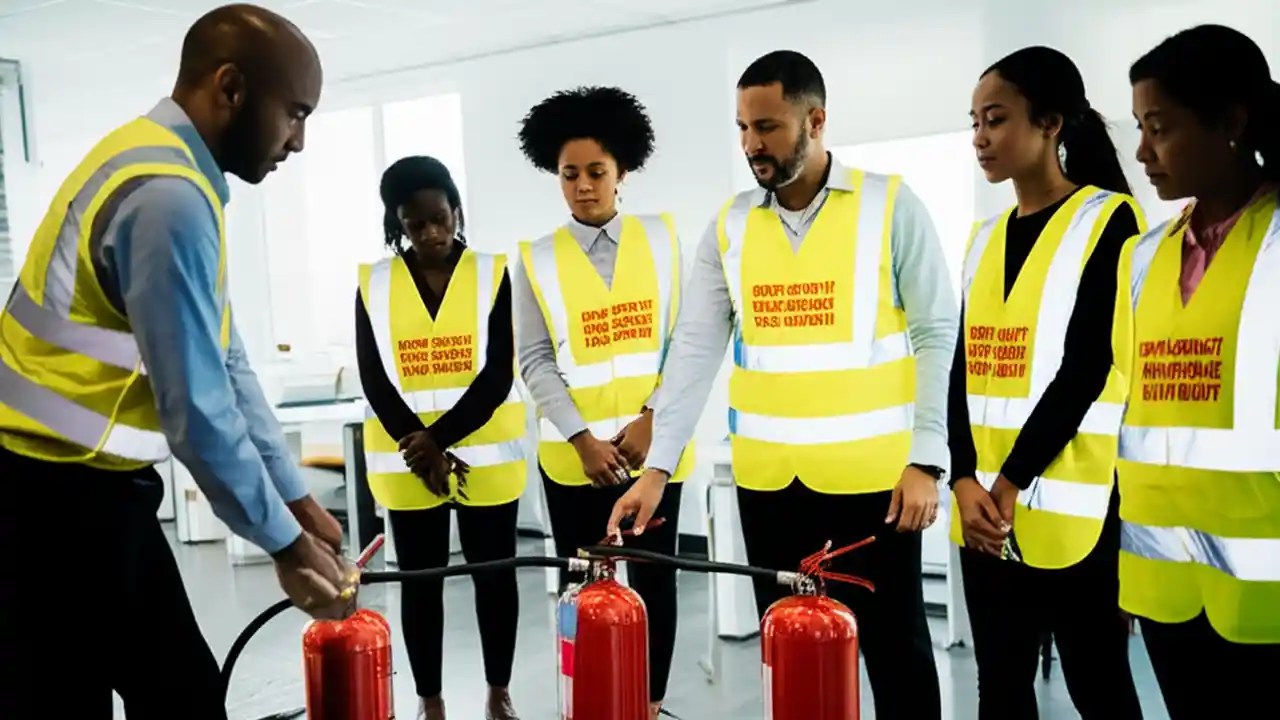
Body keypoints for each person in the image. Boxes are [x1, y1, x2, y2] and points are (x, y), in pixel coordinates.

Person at [0, 5, 355, 719]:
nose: (300, 140)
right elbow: (195, 409)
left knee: (181, 693)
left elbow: (226, 358)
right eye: (294, 113)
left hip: (93, 494)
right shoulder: (168, 199)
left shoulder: (164, 168)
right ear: (230, 88)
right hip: (43, 503)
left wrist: (291, 492)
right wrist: (284, 546)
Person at [609, 50, 955, 719]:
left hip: (875, 487)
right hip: (770, 489)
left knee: (896, 654)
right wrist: (655, 470)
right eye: (742, 128)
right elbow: (694, 352)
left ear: (815, 120)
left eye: (766, 127)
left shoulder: (888, 205)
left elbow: (939, 332)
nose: (750, 144)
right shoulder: (732, 225)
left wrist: (927, 459)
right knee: (791, 655)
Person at [947, 46, 1145, 720]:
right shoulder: (982, 237)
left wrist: (1009, 480)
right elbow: (961, 368)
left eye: (995, 119)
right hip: (982, 513)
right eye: (974, 121)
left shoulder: (1108, 220)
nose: (980, 137)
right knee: (999, 688)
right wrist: (962, 479)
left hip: (1072, 512)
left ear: (1051, 123)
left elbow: (1087, 368)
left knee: (1099, 685)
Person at [513, 85, 693, 719]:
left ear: (622, 172)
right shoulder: (534, 260)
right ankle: (591, 703)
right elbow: (534, 360)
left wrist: (652, 420)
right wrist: (580, 438)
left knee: (656, 585)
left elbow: (686, 343)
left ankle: (651, 704)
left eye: (596, 172)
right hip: (576, 461)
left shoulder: (667, 240)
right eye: (569, 174)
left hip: (655, 454)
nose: (583, 186)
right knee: (584, 591)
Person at [1121, 24, 1280, 720]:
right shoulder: (1143, 257)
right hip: (1162, 579)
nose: (1142, 152)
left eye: (1160, 127)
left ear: (1232, 121)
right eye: (1137, 127)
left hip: (1264, 586)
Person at [355, 156, 525, 720]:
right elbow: (374, 377)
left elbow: (499, 371)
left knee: (493, 580)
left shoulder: (493, 272)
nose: (430, 233)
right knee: (421, 586)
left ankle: (498, 693)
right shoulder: (372, 285)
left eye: (439, 218)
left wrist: (438, 440)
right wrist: (419, 446)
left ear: (456, 210)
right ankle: (430, 701)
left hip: (484, 460)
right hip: (409, 466)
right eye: (414, 224)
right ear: (396, 225)